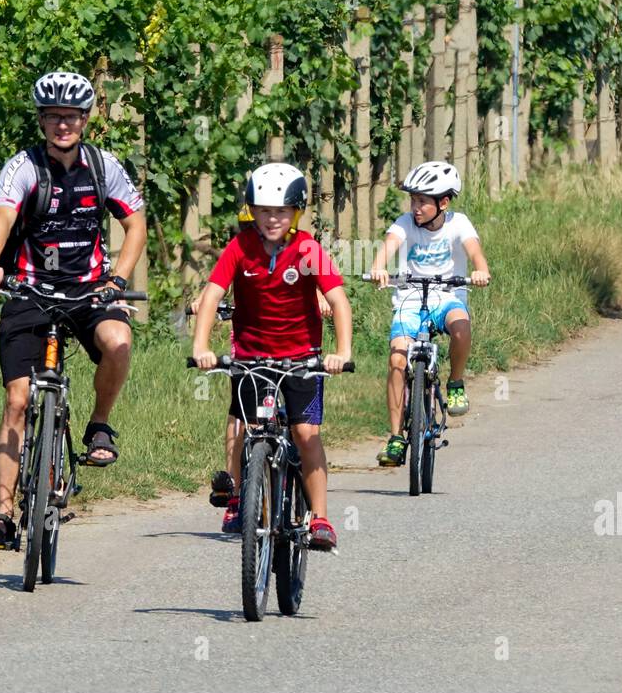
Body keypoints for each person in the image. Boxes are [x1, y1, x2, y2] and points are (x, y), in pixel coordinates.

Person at [0, 71, 147, 547]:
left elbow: (135, 224)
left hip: (90, 289)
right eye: (52, 117)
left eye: (70, 116)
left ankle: (99, 426)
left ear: (86, 119)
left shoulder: (102, 166)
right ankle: (4, 512)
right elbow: (3, 219)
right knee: (17, 400)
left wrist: (118, 280)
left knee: (119, 341)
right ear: (42, 120)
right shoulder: (23, 167)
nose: (61, 125)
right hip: (31, 288)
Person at [192, 163, 353, 551]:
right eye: (264, 210)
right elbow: (212, 295)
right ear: (252, 211)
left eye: (281, 211)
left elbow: (337, 300)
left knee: (304, 433)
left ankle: (320, 517)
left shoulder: (308, 249)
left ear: (296, 212)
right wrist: (201, 347)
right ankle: (244, 502)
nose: (272, 219)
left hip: (302, 357)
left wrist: (341, 352)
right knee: (247, 428)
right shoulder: (239, 247)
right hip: (250, 356)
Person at [367, 161, 491, 467]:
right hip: (410, 299)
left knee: (461, 328)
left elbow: (474, 250)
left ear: (443, 203)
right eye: (413, 200)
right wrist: (379, 267)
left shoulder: (459, 224)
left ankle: (456, 383)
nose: (416, 207)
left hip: (447, 296)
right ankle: (396, 437)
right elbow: (388, 246)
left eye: (423, 201)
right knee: (397, 358)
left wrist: (480, 269)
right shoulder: (404, 223)